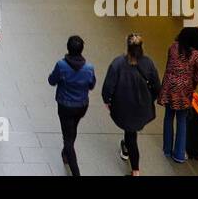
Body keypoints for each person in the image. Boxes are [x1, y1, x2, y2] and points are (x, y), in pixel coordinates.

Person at [102, 33, 161, 176]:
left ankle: (135, 170)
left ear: (127, 47)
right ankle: (126, 148)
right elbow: (157, 87)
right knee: (130, 130)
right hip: (141, 107)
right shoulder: (148, 63)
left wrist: (108, 101)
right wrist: (148, 100)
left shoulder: (118, 64)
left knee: (131, 135)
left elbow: (108, 87)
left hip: (123, 106)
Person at [158, 26, 198, 163]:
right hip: (184, 90)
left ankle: (167, 149)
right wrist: (193, 87)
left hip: (169, 86)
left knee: (168, 117)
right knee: (182, 120)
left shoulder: (173, 47)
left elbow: (169, 65)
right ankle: (179, 154)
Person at [48, 35, 95, 176]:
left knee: (67, 138)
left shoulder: (61, 65)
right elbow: (92, 85)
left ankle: (75, 171)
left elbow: (51, 80)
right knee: (73, 128)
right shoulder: (89, 68)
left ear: (68, 48)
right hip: (81, 106)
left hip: (65, 105)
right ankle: (65, 152)